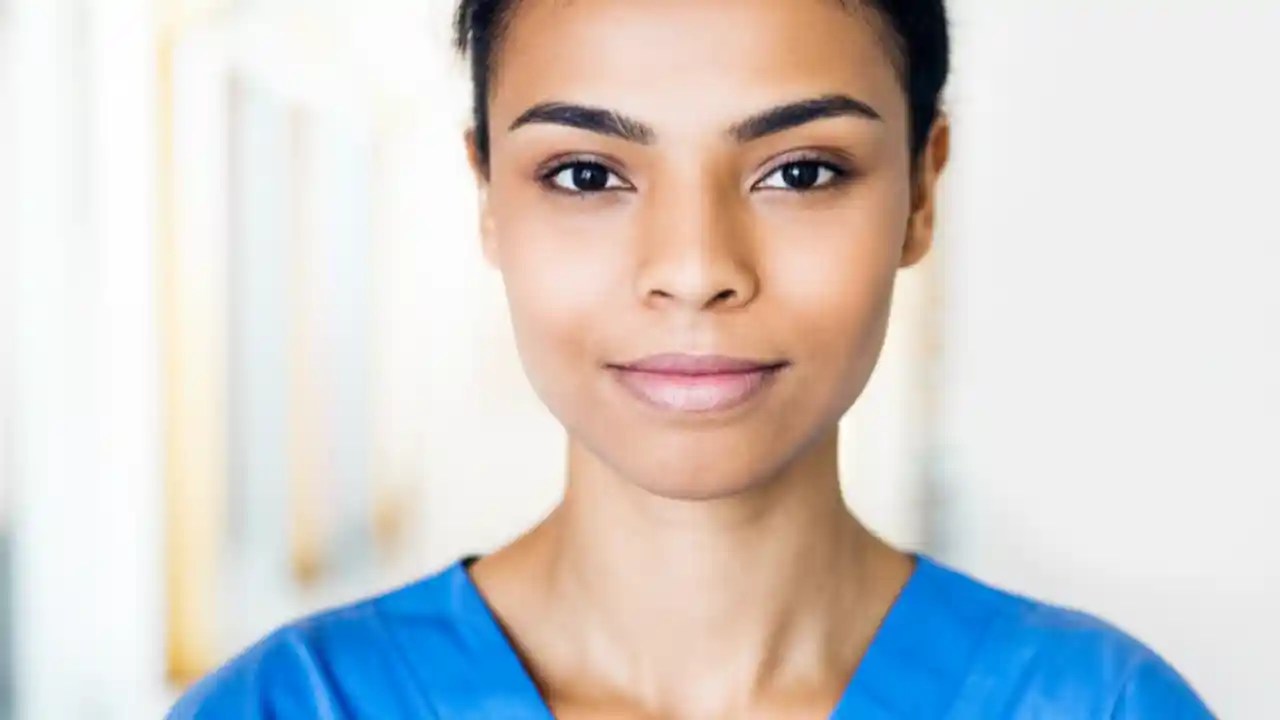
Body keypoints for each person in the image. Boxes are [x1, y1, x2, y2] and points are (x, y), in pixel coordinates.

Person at [169, 0, 1214, 717]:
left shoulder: (1098, 705)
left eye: (799, 171)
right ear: (487, 194)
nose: (693, 268)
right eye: (585, 174)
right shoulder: (291, 707)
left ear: (919, 192)